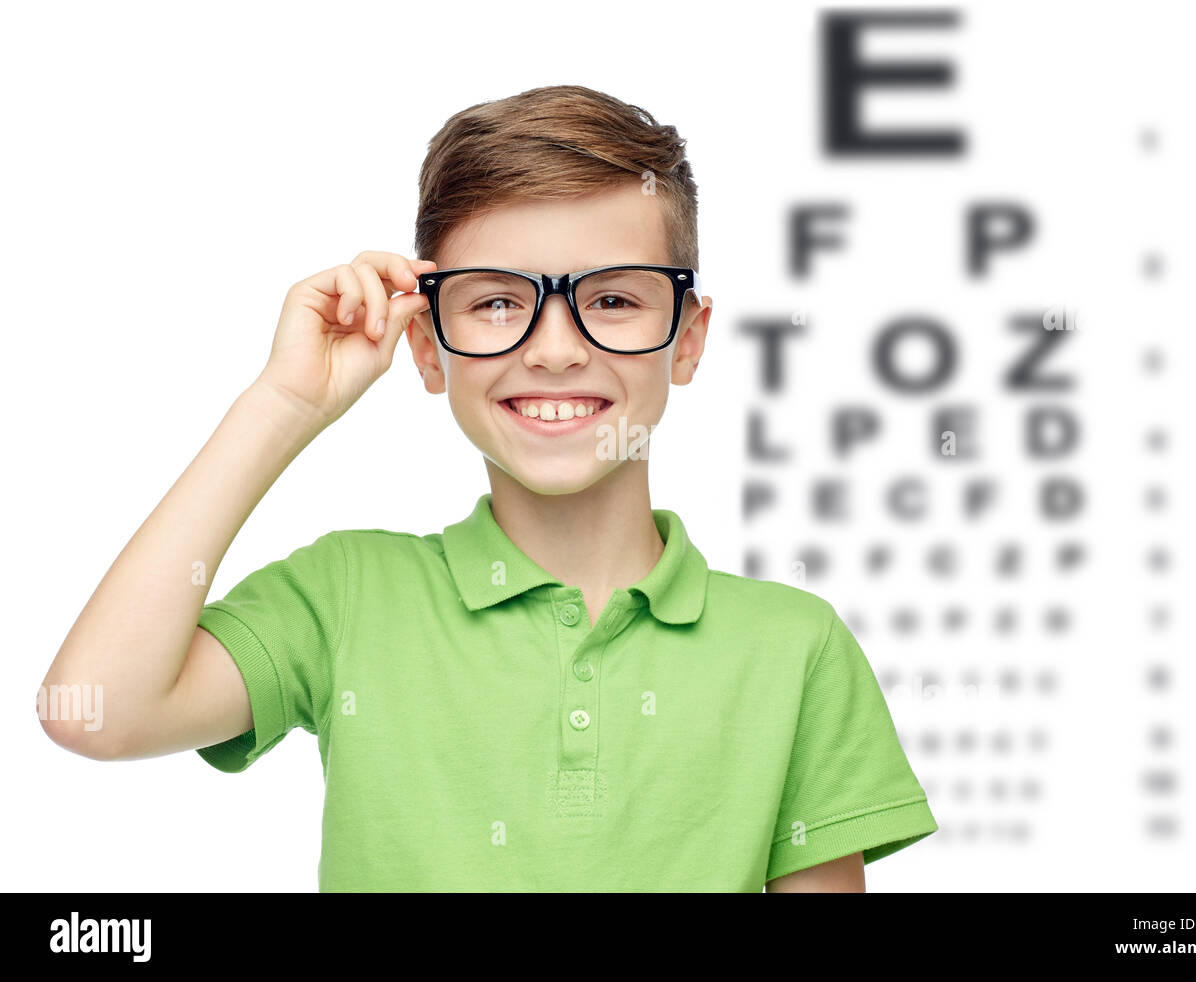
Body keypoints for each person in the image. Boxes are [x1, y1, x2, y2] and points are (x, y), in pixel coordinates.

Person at [39, 84, 936, 892]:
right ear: (427, 345)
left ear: (689, 339)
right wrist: (283, 404)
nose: (554, 348)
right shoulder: (348, 597)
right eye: (498, 302)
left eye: (615, 301)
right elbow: (97, 713)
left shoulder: (794, 647)